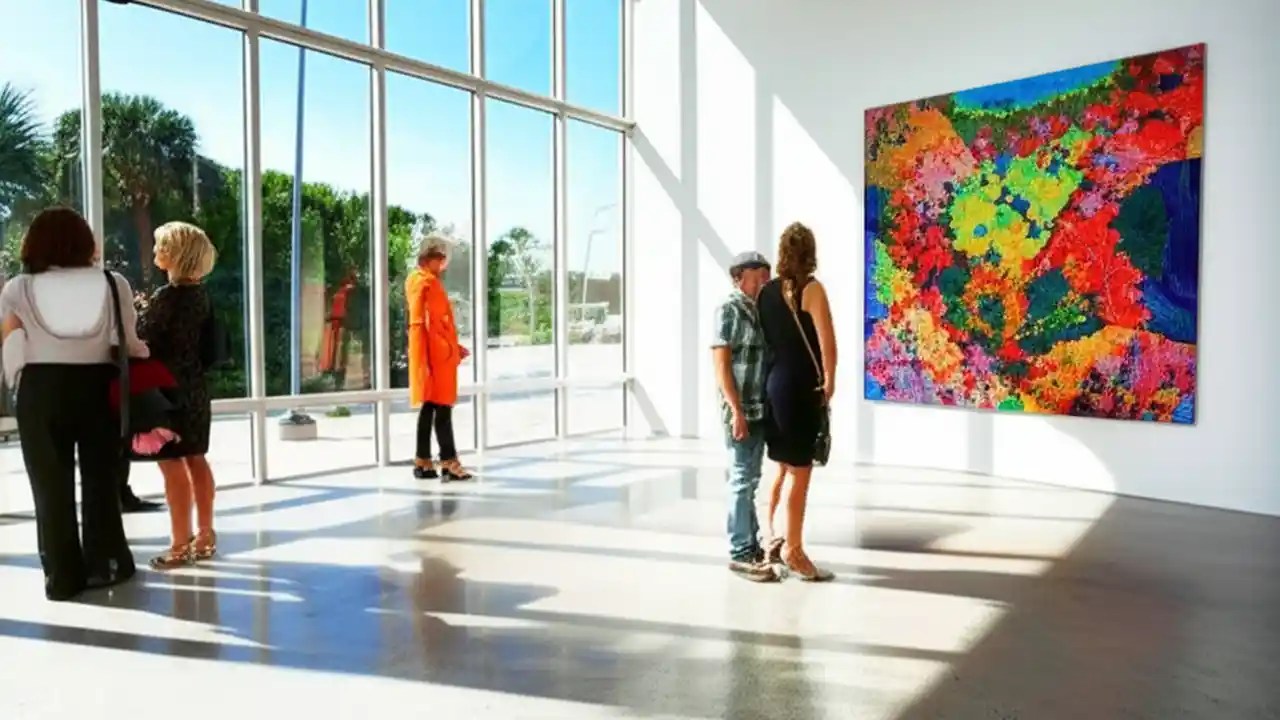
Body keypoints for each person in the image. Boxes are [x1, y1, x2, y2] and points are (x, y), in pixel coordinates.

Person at [0, 207, 143, 600]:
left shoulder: (18, 288)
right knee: (102, 480)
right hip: (99, 386)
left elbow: (11, 346)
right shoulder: (113, 283)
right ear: (84, 241)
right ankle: (107, 564)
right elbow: (128, 342)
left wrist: (17, 385)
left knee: (49, 487)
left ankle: (61, 577)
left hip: (40, 389)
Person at [137, 221, 219, 570]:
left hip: (166, 391)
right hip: (195, 388)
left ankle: (179, 545)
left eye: (162, 246)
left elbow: (142, 339)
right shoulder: (202, 297)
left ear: (176, 254)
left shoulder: (167, 297)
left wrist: (140, 311)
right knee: (196, 459)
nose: (156, 250)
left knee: (171, 464)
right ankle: (205, 534)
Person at [757, 222, 836, 582]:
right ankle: (794, 549)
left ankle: (772, 537)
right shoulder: (811, 289)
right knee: (801, 472)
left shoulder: (767, 292)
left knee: (782, 468)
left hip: (774, 385)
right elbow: (827, 341)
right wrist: (830, 381)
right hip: (800, 388)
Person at [711, 251, 778, 582]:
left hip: (759, 408)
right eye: (759, 275)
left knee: (750, 479)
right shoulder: (729, 309)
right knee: (741, 479)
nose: (765, 281)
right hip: (741, 410)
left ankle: (751, 546)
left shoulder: (759, 310)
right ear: (740, 277)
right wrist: (735, 411)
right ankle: (740, 551)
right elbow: (721, 365)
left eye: (767, 275)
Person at [406, 235, 473, 481]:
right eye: (440, 258)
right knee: (442, 408)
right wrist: (448, 349)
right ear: (429, 258)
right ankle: (449, 462)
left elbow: (429, 324)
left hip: (431, 353)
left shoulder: (417, 280)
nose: (444, 263)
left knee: (430, 407)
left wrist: (452, 346)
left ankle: (423, 461)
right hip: (437, 357)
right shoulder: (427, 283)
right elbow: (430, 324)